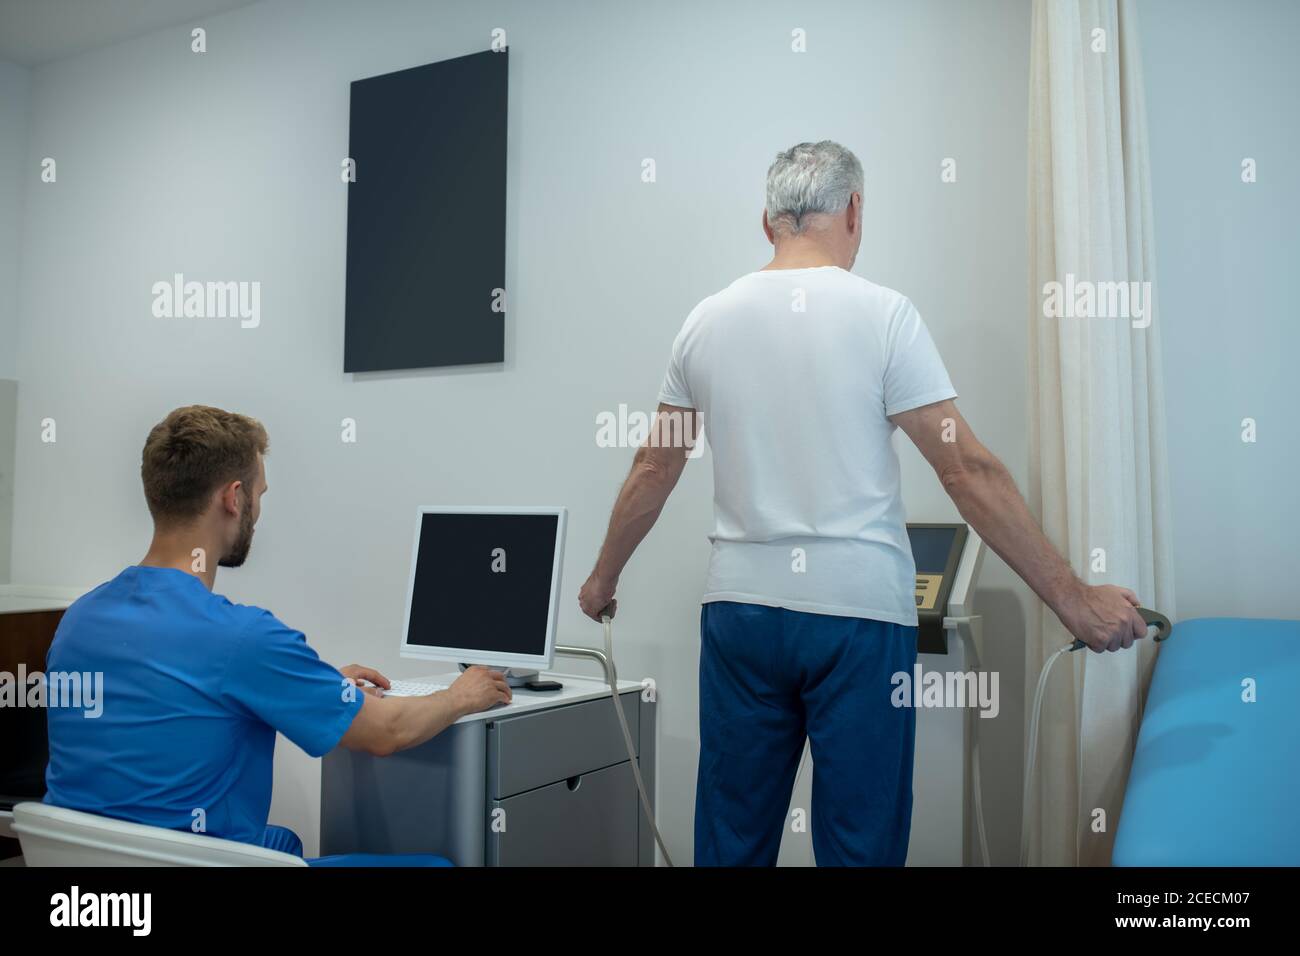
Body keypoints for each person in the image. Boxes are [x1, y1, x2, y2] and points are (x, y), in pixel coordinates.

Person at [578, 140, 1148, 866]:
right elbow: (966, 469)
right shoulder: (884, 316)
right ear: (853, 211)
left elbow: (655, 465)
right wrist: (1072, 599)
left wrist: (602, 579)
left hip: (741, 616)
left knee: (731, 839)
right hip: (857, 620)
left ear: (768, 221)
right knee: (860, 846)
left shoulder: (707, 320)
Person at [43, 404, 511, 865]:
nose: (258, 511)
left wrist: (310, 689)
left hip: (89, 880)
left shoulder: (78, 620)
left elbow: (174, 707)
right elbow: (387, 732)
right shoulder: (242, 637)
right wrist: (460, 695)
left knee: (282, 841)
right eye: (259, 494)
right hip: (193, 862)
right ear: (233, 498)